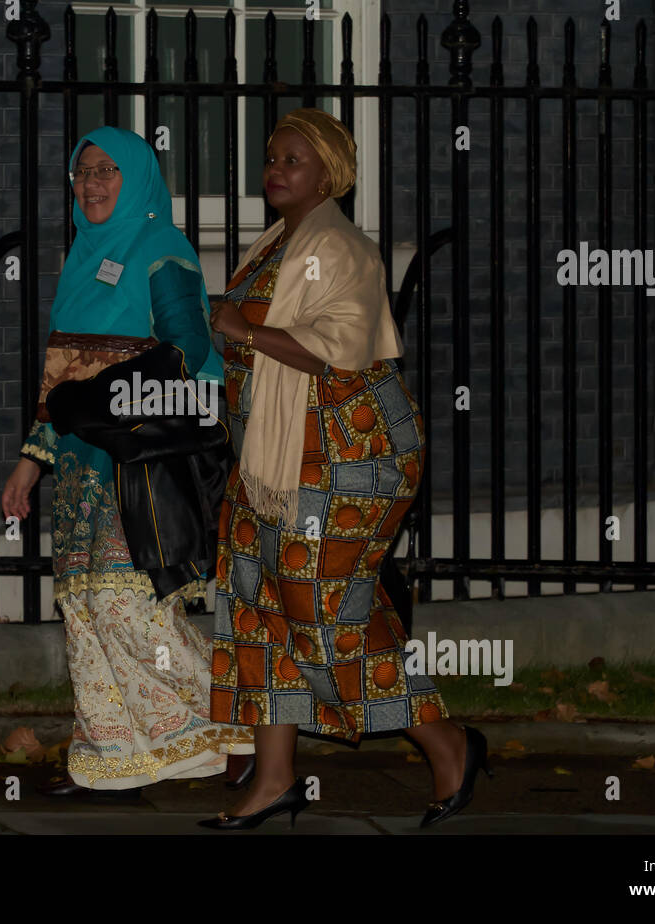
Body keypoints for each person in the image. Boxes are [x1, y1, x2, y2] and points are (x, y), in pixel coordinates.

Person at [202, 108, 491, 829]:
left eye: (293, 159)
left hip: (347, 458)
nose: (275, 169)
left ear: (328, 174)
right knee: (261, 606)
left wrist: (243, 329)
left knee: (323, 615)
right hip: (273, 461)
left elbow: (340, 348)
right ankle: (275, 779)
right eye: (271, 157)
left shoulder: (342, 248)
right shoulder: (277, 244)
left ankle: (449, 743)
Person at [2, 126, 254, 795]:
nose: (90, 184)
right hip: (80, 466)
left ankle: (239, 722)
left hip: (136, 461)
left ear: (137, 177)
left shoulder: (161, 248)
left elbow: (187, 347)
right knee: (81, 604)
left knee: (126, 604)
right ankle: (111, 753)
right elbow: (60, 380)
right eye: (82, 172)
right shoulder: (81, 260)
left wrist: (106, 393)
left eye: (106, 170)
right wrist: (31, 460)